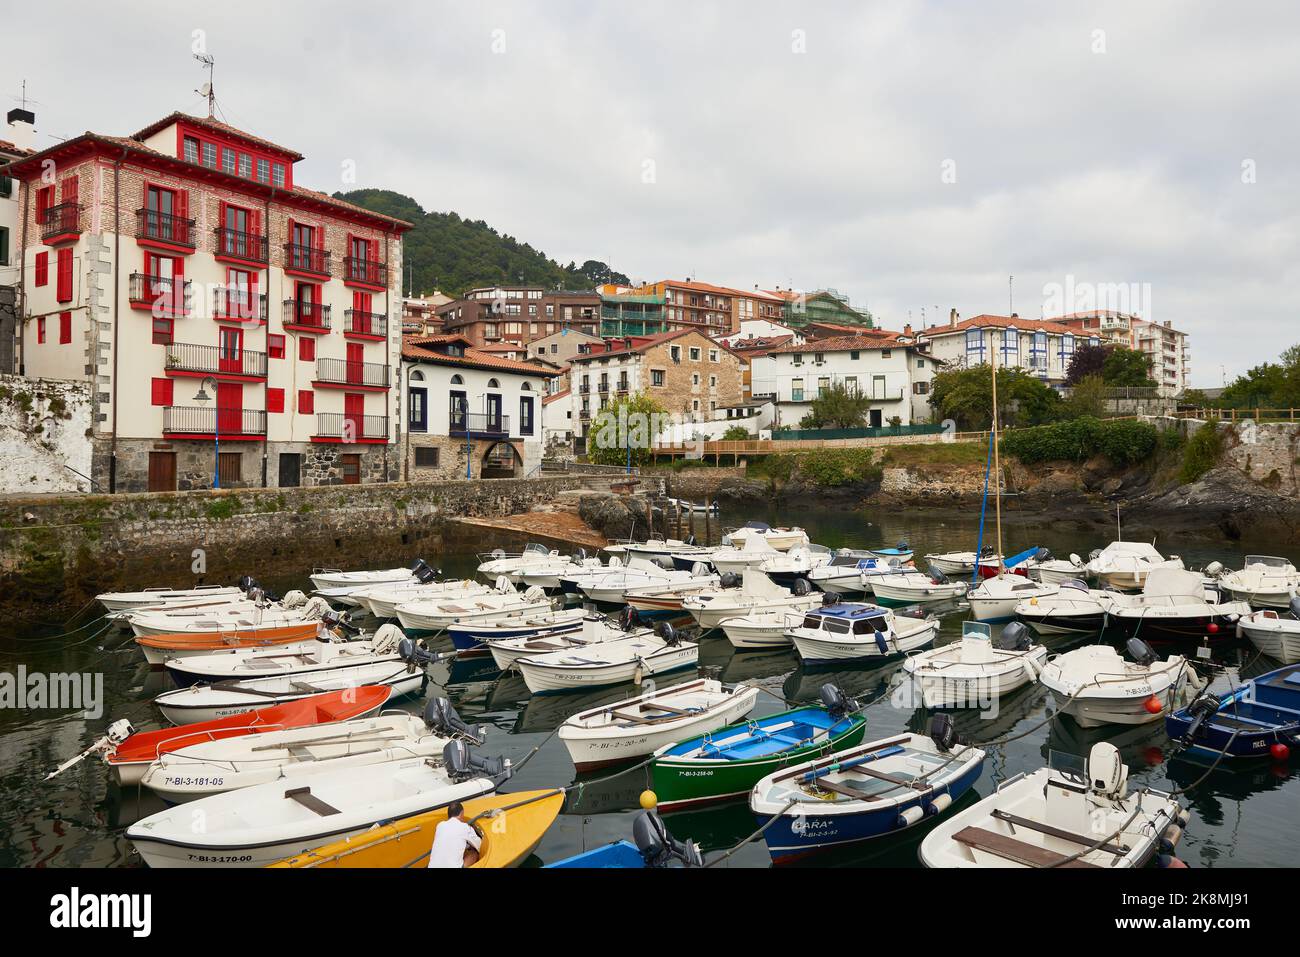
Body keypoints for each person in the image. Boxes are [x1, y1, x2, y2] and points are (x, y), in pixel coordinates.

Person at [427, 801, 482, 868]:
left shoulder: (440, 825)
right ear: (462, 813)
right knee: (474, 853)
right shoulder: (465, 827)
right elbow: (479, 845)